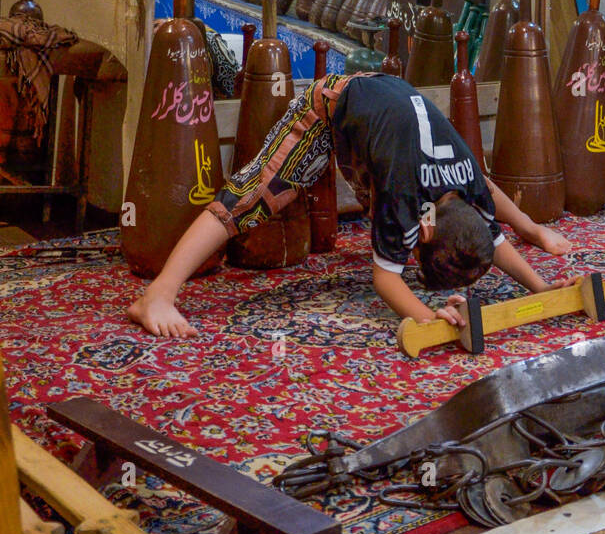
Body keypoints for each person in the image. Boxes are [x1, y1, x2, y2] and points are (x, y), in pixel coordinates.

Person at [127, 72, 573, 339]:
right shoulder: (407, 193)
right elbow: (386, 280)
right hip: (332, 106)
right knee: (253, 197)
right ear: (429, 224)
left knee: (442, 200)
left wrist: (539, 279)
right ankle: (157, 296)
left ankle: (531, 228)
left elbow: (492, 225)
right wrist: (427, 317)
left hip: (384, 123)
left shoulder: (468, 183)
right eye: (419, 244)